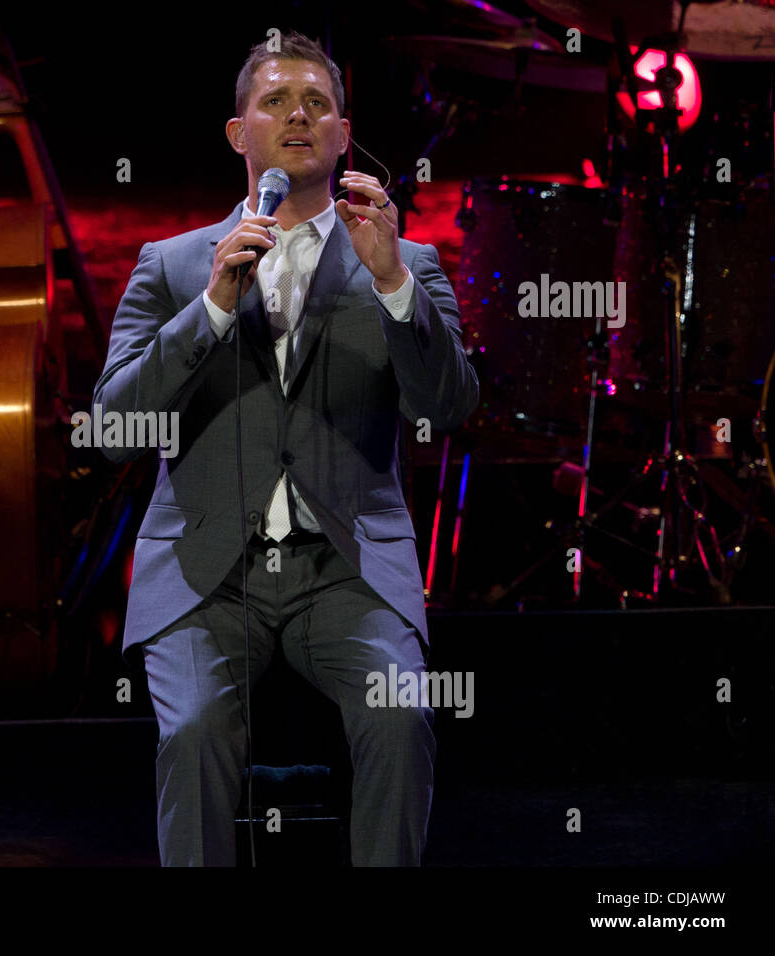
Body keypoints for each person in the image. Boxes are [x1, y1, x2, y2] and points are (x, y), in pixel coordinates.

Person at [93, 31, 479, 865]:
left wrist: (391, 286)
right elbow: (109, 427)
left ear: (344, 135)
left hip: (346, 565)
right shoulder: (171, 265)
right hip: (206, 569)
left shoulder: (407, 260)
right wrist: (211, 314)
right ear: (240, 134)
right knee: (192, 730)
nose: (298, 115)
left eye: (317, 103)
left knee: (400, 712)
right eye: (275, 101)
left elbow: (448, 408)